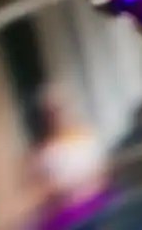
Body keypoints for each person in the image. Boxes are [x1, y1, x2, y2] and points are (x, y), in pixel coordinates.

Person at [28, 89, 113, 230]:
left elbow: (103, 171)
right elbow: (42, 189)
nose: (57, 117)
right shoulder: (43, 152)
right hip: (67, 211)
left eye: (59, 110)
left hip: (97, 201)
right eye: (50, 114)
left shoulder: (86, 138)